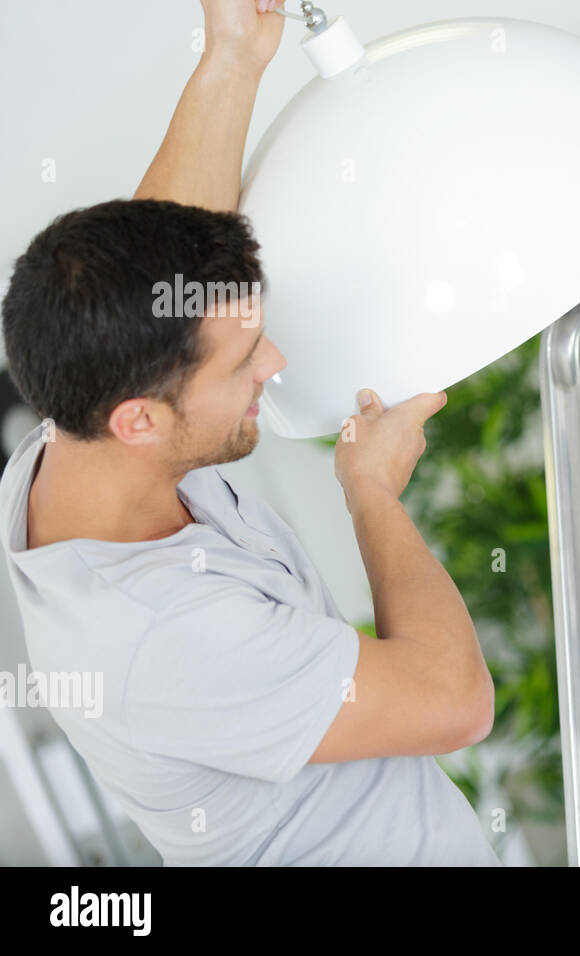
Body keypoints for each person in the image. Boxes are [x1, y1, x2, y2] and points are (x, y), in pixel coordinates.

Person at [0, 0, 500, 865]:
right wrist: (370, 491)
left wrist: (234, 54)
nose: (271, 362)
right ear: (142, 420)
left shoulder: (86, 420)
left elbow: (161, 277)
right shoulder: (164, 638)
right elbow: (454, 702)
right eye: (240, 364)